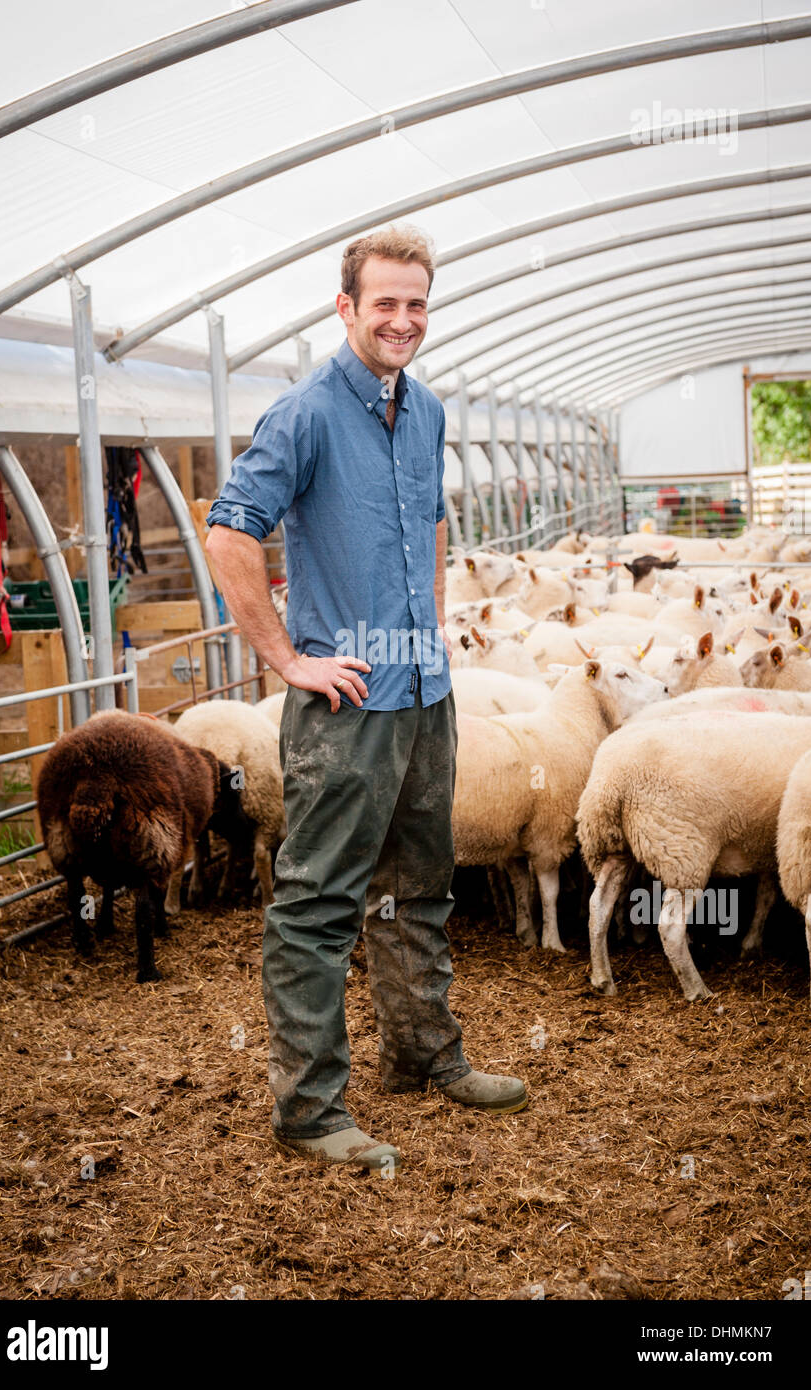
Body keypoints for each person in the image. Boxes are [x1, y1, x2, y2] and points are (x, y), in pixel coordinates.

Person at [205, 224, 527, 1172]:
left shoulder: (423, 410)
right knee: (316, 905)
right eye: (382, 302)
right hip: (344, 705)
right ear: (344, 307)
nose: (401, 319)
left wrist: (429, 626)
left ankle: (424, 1056)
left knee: (420, 887)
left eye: (415, 303)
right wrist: (287, 662)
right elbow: (231, 534)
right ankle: (309, 1112)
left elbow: (426, 520)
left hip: (421, 691)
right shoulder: (304, 414)